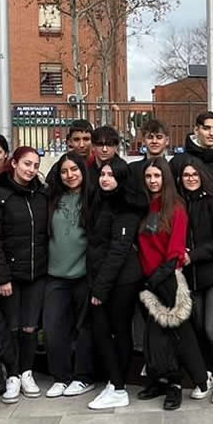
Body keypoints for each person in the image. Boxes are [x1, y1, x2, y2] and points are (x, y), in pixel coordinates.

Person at [136, 160, 206, 410]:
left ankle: (178, 384)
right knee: (154, 337)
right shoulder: (144, 206)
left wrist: (158, 278)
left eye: (157, 175)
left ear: (165, 177)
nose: (153, 180)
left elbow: (176, 249)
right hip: (146, 280)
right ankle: (159, 379)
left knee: (176, 335)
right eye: (148, 176)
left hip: (166, 279)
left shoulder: (175, 207)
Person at [0, 146, 49, 402]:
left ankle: (26, 371)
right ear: (14, 163)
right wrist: (1, 277)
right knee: (10, 326)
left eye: (35, 165)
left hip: (37, 272)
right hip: (9, 275)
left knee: (30, 326)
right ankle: (12, 374)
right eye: (26, 164)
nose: (31, 169)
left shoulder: (43, 194)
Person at [174, 157, 213, 401]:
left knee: (212, 329)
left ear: (202, 176)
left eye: (194, 174)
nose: (190, 178)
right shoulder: (178, 204)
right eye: (186, 175)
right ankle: (207, 372)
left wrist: (194, 255)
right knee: (198, 327)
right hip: (191, 278)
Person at [84, 157, 142, 410]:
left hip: (121, 280)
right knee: (104, 330)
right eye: (103, 173)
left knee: (114, 329)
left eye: (111, 174)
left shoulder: (126, 206)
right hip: (104, 277)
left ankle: (118, 387)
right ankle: (114, 382)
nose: (105, 178)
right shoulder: (100, 200)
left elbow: (118, 250)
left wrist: (100, 288)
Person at [43, 152, 94, 398]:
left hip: (84, 275)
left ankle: (83, 377)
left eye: (74, 170)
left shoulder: (93, 199)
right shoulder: (51, 197)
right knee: (53, 328)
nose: (70, 175)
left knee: (84, 329)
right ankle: (61, 377)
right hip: (55, 276)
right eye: (64, 171)